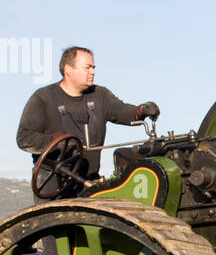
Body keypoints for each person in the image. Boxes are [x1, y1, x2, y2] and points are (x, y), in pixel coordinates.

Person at [16, 46, 160, 184]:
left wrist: (141, 110)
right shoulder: (43, 98)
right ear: (68, 70)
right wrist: (59, 142)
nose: (92, 72)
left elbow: (126, 113)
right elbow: (24, 138)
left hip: (89, 183)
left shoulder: (100, 95)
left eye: (93, 68)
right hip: (53, 184)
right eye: (87, 67)